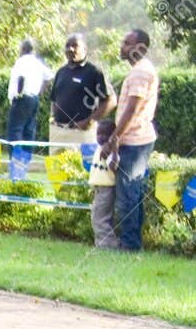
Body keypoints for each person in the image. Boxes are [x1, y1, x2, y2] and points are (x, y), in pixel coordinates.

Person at [99, 28, 160, 253]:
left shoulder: (140, 72)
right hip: (134, 139)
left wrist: (114, 139)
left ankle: (130, 246)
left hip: (134, 141)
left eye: (127, 43)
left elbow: (132, 109)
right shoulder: (139, 70)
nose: (122, 46)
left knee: (128, 195)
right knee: (132, 192)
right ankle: (132, 243)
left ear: (140, 48)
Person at [49, 33, 114, 149]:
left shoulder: (94, 71)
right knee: (57, 166)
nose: (70, 49)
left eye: (75, 46)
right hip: (58, 131)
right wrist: (54, 118)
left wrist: (90, 121)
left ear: (85, 49)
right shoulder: (61, 72)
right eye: (67, 46)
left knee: (83, 166)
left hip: (81, 133)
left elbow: (110, 101)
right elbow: (54, 99)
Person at [6, 39, 49, 144]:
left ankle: (17, 158)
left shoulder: (22, 61)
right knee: (29, 130)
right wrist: (40, 92)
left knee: (16, 129)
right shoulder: (37, 62)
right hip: (34, 98)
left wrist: (19, 93)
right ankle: (26, 157)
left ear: (23, 49)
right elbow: (48, 77)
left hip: (22, 98)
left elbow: (21, 77)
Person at [88, 118, 119, 250]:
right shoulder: (99, 148)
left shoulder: (109, 151)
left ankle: (108, 246)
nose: (101, 137)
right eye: (98, 134)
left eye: (105, 135)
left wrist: (114, 150)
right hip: (99, 188)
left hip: (106, 189)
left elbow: (114, 166)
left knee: (99, 219)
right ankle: (102, 243)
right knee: (98, 216)